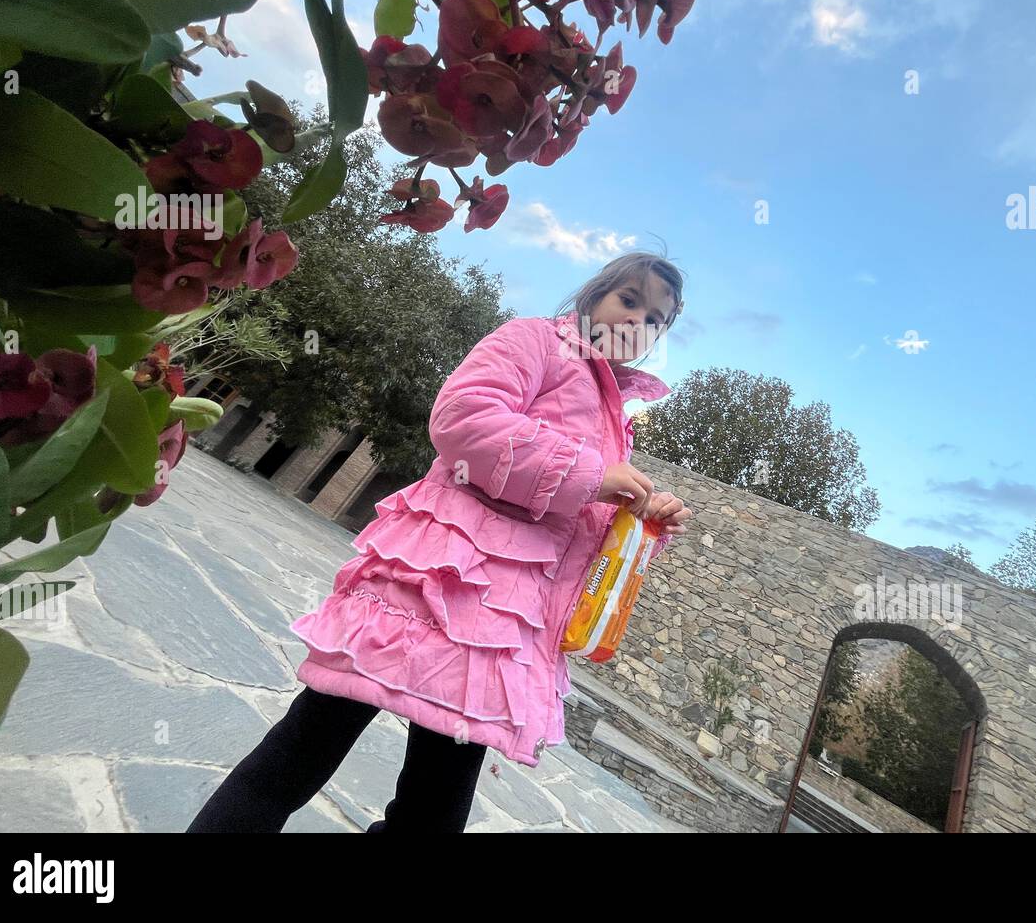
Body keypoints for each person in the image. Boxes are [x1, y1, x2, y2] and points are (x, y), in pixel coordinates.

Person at [187, 250, 693, 833]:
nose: (637, 321)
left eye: (655, 319)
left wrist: (640, 522)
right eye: (628, 300)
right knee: (304, 749)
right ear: (593, 297)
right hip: (431, 584)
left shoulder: (616, 420)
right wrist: (591, 474)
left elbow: (574, 529)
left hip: (498, 627)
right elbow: (463, 417)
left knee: (435, 810)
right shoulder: (534, 342)